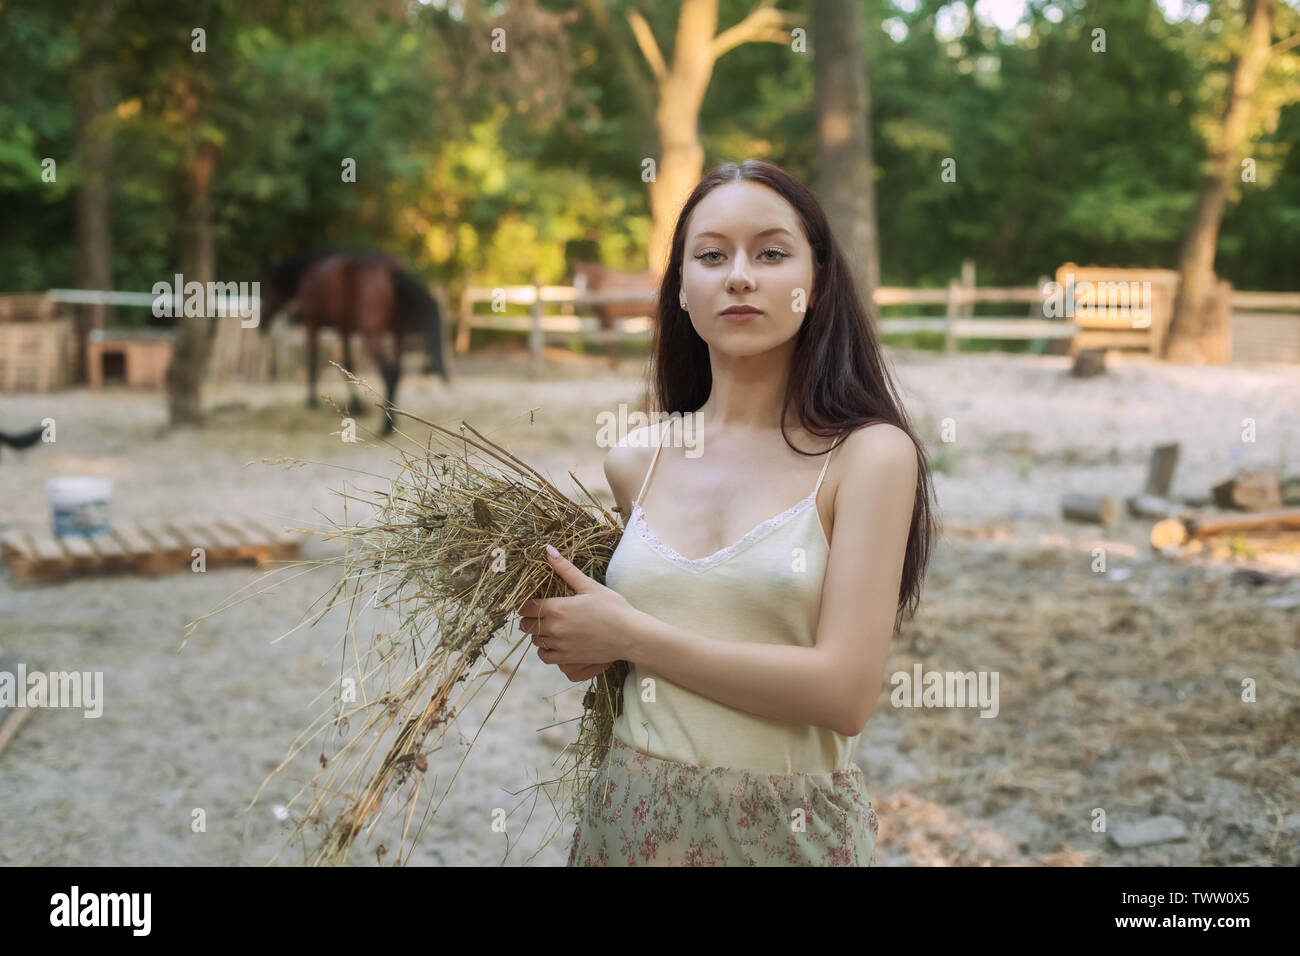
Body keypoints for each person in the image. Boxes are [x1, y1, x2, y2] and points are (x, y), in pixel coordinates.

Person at [516, 159, 939, 866]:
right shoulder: (637, 459)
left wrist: (632, 635)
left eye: (771, 254)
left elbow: (844, 694)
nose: (739, 277)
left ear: (817, 282)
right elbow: (649, 652)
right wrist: (584, 644)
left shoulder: (868, 457)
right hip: (629, 821)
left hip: (787, 833)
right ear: (682, 289)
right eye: (712, 256)